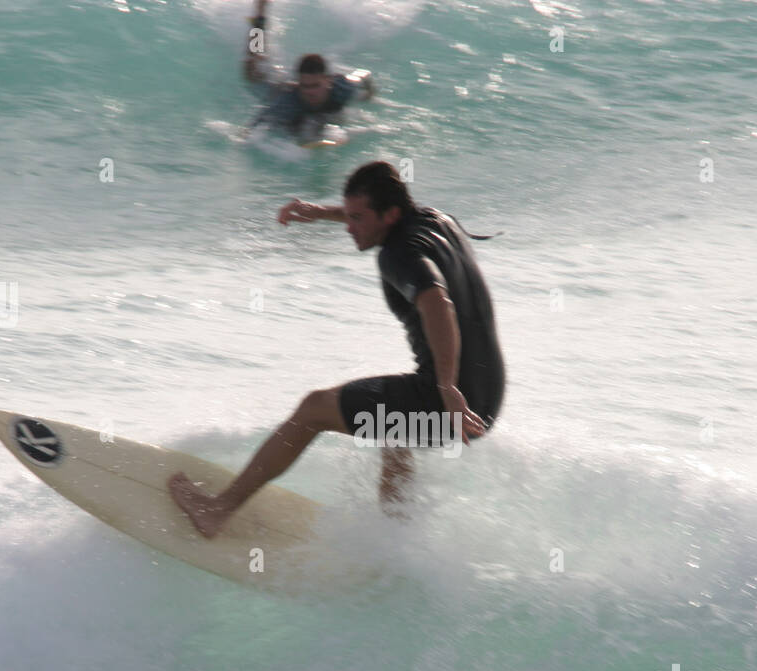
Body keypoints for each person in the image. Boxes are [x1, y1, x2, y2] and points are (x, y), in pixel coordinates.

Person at [168, 161, 505, 539]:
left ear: (390, 215)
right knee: (393, 427)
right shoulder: (438, 221)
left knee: (314, 409)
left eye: (357, 218)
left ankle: (216, 511)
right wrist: (320, 212)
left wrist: (447, 388)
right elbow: (390, 229)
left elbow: (436, 302)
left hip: (451, 406)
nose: (349, 226)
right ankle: (396, 538)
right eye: (348, 215)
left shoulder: (399, 254)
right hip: (486, 399)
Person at [242, 0, 375, 143]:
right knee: (252, 70)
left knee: (327, 118)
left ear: (328, 81)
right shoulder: (285, 103)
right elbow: (251, 130)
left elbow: (364, 75)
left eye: (315, 85)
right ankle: (259, 19)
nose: (309, 92)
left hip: (323, 112)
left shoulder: (344, 87)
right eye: (304, 86)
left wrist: (369, 94)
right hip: (277, 93)